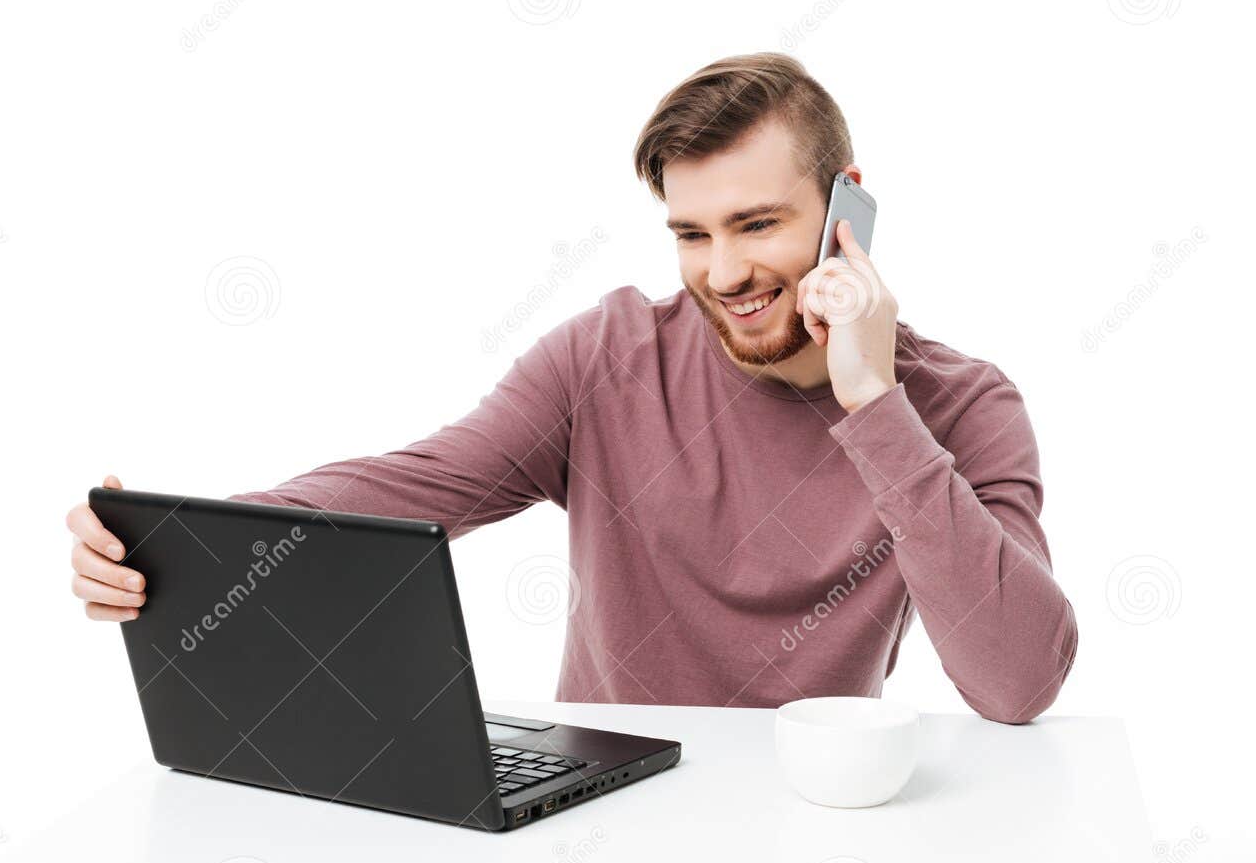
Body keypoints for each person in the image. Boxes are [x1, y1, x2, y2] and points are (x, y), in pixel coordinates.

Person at [65, 52, 1078, 723]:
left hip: (811, 819)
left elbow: (1019, 681)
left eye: (757, 223)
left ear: (846, 203)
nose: (724, 272)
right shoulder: (607, 357)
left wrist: (872, 401)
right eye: (692, 233)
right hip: (608, 821)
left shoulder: (963, 405)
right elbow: (418, 483)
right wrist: (182, 540)